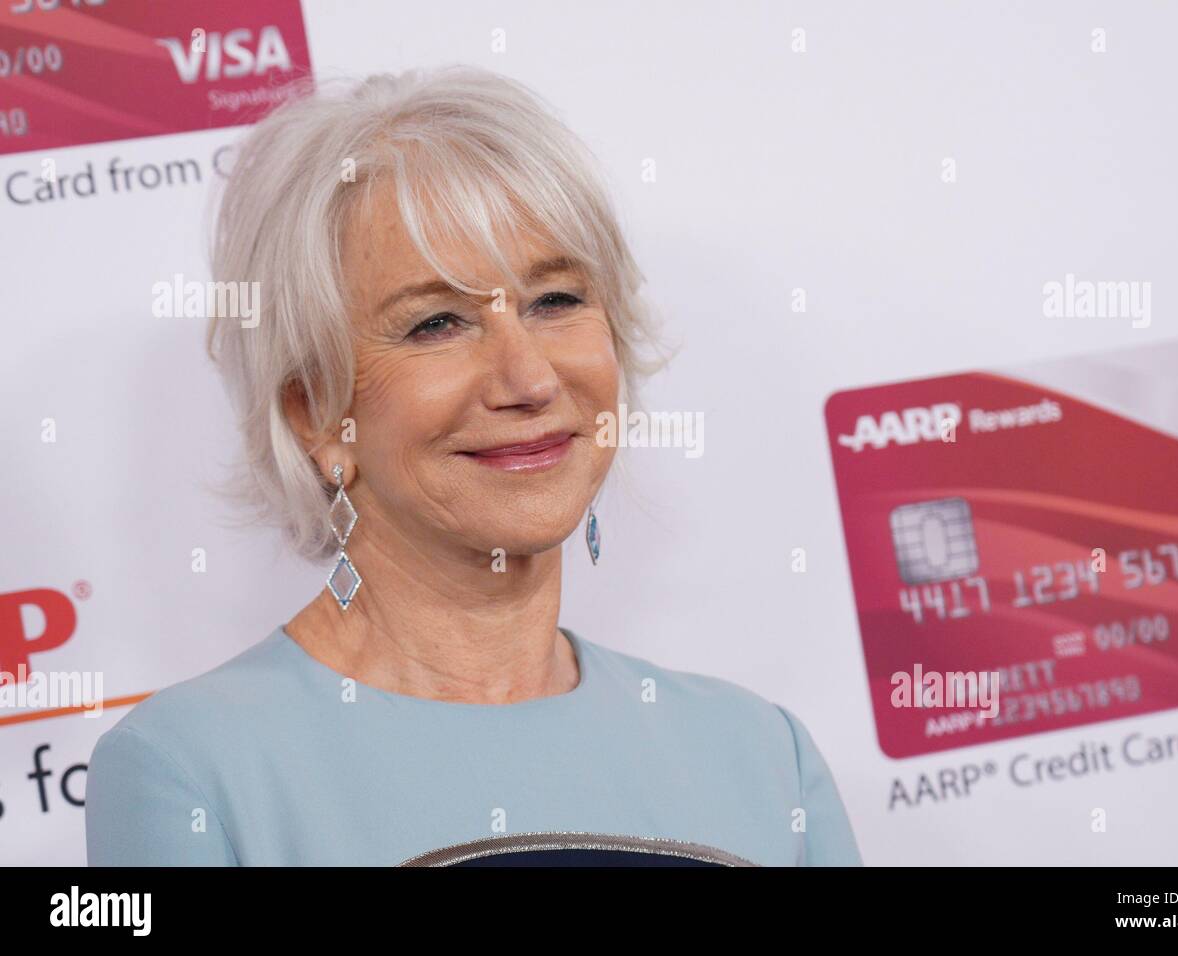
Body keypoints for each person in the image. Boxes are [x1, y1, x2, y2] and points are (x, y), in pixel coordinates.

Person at [84, 65, 862, 866]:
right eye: (437, 323)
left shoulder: (764, 759)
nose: (529, 380)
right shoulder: (192, 774)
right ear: (315, 413)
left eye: (555, 302)